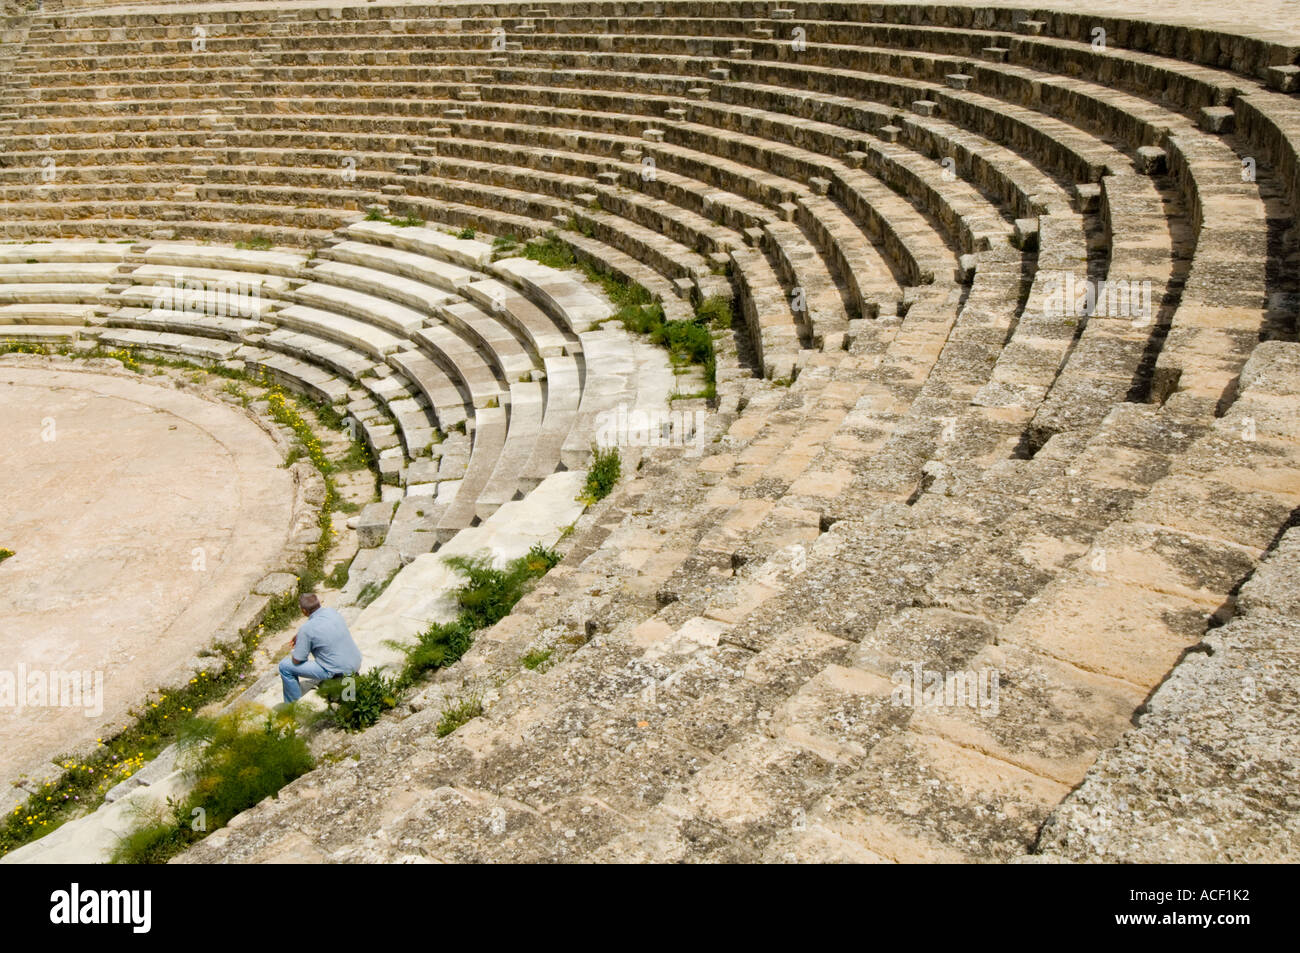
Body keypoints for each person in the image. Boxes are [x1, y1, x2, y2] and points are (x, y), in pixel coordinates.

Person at [278, 593, 362, 703]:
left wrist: (298, 647)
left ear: (304, 611)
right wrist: (300, 636)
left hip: (337, 670)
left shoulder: (306, 629)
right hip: (355, 663)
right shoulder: (332, 612)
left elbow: (297, 660)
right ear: (319, 603)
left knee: (284, 666)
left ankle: (291, 707)